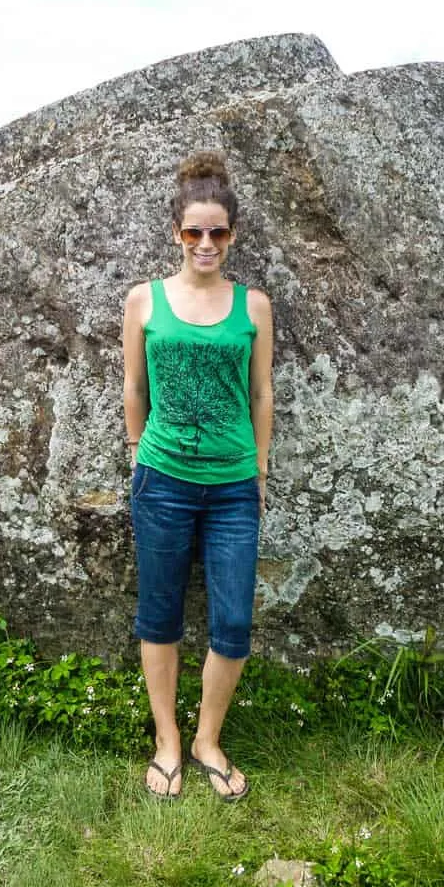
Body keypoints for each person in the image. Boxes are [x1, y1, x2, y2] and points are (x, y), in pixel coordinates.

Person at [121, 151, 274, 802]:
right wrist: (137, 451)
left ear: (232, 234)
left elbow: (262, 392)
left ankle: (209, 738)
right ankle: (168, 743)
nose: (205, 243)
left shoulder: (254, 306)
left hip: (234, 486)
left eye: (216, 232)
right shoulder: (143, 300)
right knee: (159, 615)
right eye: (193, 232)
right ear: (176, 233)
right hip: (163, 480)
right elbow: (132, 386)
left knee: (233, 623)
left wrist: (260, 469)